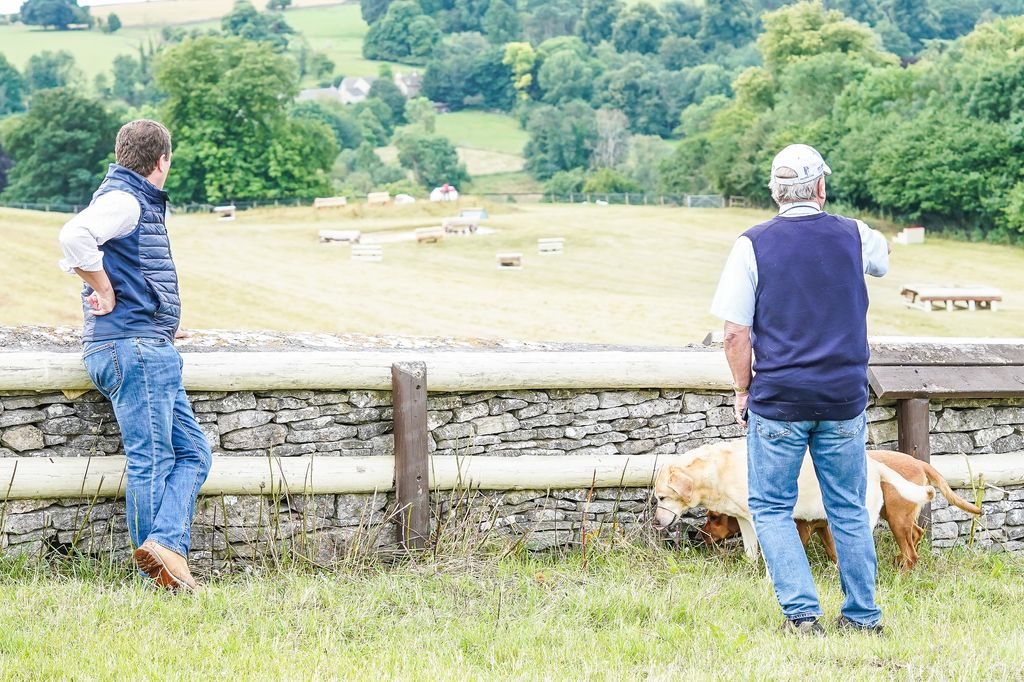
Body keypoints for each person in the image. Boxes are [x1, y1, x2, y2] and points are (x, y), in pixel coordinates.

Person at [710, 144, 891, 635]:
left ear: (775, 192)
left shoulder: (751, 244)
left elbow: (734, 332)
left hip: (780, 399)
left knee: (769, 507)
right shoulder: (855, 234)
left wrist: (742, 390)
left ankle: (802, 614)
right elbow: (883, 261)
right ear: (820, 188)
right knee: (848, 507)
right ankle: (862, 617)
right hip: (843, 398)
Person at [58, 119, 211, 592]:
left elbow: (134, 268)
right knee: (153, 459)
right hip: (134, 348)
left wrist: (160, 319)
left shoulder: (126, 197)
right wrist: (101, 288)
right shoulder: (125, 200)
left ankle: (164, 547)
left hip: (144, 342)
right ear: (162, 160)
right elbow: (73, 236)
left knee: (195, 453)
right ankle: (156, 578)